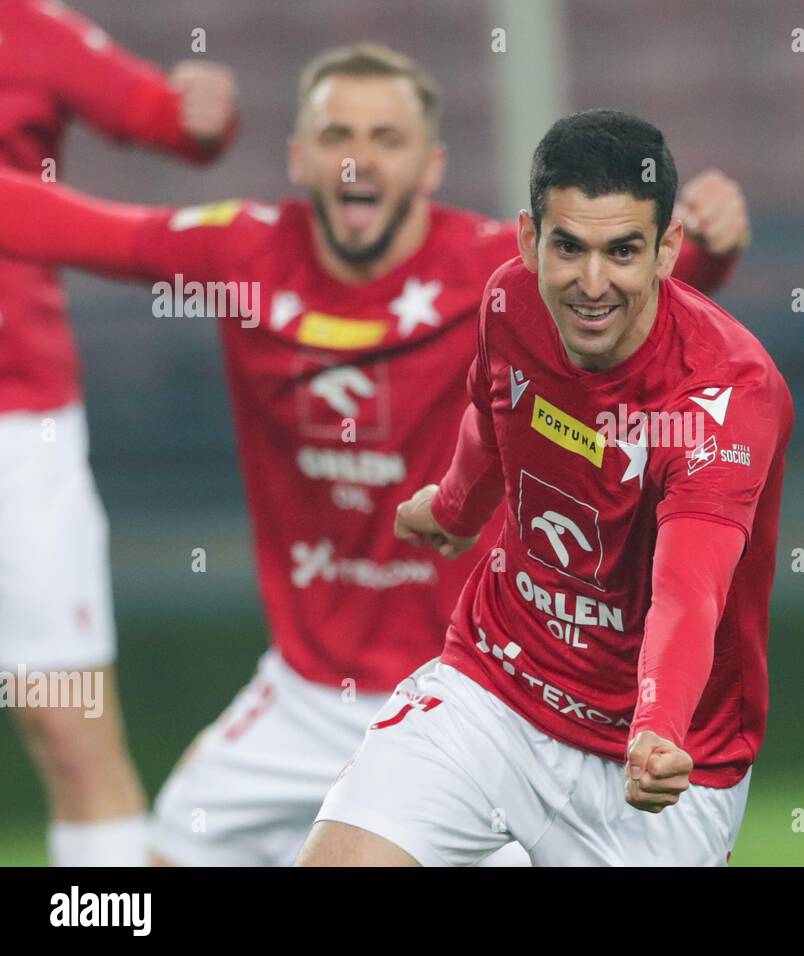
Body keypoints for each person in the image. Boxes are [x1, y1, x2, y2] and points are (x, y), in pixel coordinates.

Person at [0, 45, 750, 866]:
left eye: (387, 138)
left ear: (431, 166)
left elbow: (639, 290)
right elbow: (76, 228)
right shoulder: (242, 256)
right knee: (165, 857)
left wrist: (713, 246)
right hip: (301, 696)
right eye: (338, 135)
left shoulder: (499, 273)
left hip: (476, 693)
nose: (359, 159)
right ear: (299, 157)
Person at [298, 108, 792, 866]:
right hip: (496, 689)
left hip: (657, 760)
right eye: (569, 248)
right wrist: (455, 508)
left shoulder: (727, 394)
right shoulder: (510, 301)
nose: (592, 285)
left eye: (622, 251)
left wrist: (658, 726)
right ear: (530, 240)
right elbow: (494, 414)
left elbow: (688, 591)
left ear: (666, 250)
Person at [0, 0, 236, 866]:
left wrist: (202, 112)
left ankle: (104, 917)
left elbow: (166, 119)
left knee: (69, 727)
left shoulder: (28, 30)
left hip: (19, 424)